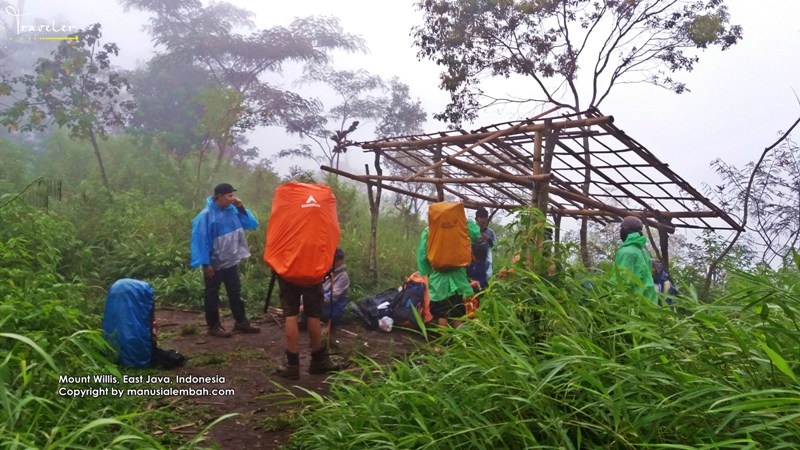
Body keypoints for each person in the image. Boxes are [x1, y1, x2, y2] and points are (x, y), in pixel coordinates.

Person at [190, 183, 261, 337]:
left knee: (235, 292)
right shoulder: (206, 216)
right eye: (229, 196)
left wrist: (241, 207)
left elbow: (250, 224)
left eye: (232, 195)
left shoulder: (233, 211)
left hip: (230, 261)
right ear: (219, 196)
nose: (232, 199)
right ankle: (213, 326)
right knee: (212, 293)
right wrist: (206, 263)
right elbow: (201, 240)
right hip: (214, 264)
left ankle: (241, 322)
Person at [417, 214, 481, 327]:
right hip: (458, 279)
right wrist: (463, 219)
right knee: (457, 314)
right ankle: (459, 342)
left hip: (438, 280)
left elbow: (422, 255)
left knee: (441, 314)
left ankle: (442, 344)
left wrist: (425, 271)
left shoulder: (429, 231)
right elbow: (476, 234)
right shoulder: (459, 228)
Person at [275, 273, 343, 379]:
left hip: (288, 271)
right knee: (313, 314)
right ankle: (318, 361)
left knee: (291, 313)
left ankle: (292, 365)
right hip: (314, 273)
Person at [610, 216, 657, 304]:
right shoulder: (643, 250)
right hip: (648, 300)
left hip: (633, 304)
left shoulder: (627, 252)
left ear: (625, 230)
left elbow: (620, 281)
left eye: (621, 228)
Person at [322, 248, 350, 326]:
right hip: (321, 306)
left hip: (333, 311)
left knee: (308, 313)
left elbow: (332, 297)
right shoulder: (327, 272)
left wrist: (311, 303)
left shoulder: (343, 277)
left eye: (336, 260)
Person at [474, 208, 497, 279]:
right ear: (476, 219)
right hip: (473, 261)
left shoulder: (490, 233)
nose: (483, 220)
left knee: (485, 281)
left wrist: (489, 239)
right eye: (481, 217)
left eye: (485, 217)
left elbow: (496, 248)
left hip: (486, 262)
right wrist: (477, 242)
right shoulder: (471, 231)